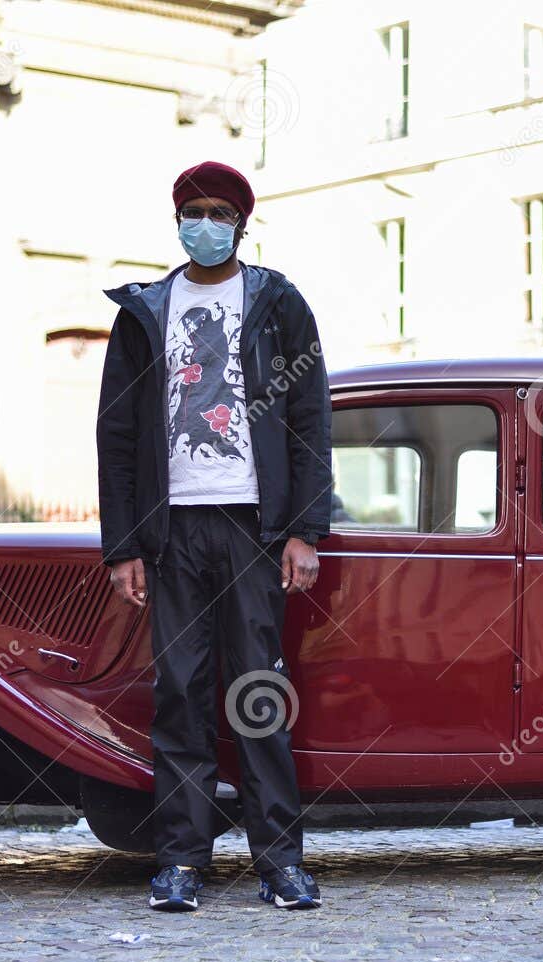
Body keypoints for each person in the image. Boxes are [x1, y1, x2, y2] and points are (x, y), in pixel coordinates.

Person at [95, 161, 332, 912]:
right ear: (176, 221)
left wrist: (304, 530)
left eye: (219, 213)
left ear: (241, 224)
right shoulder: (144, 313)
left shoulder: (278, 303)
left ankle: (280, 862)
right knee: (180, 694)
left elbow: (310, 417)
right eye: (192, 211)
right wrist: (123, 545)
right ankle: (180, 862)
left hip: (255, 529)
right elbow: (117, 436)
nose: (205, 224)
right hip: (172, 532)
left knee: (259, 690)